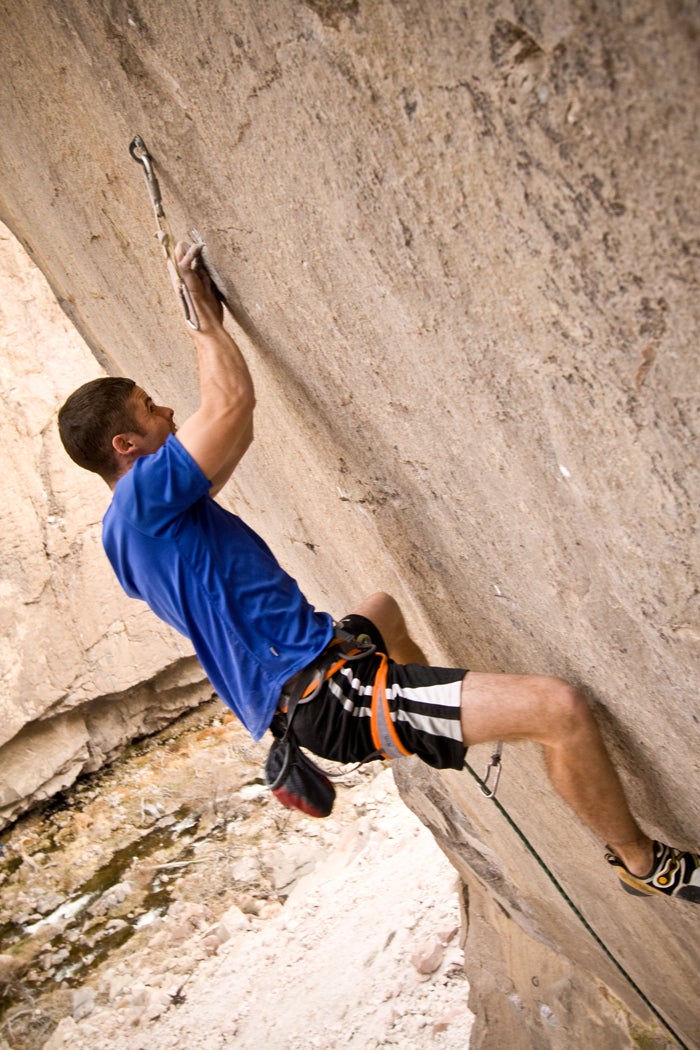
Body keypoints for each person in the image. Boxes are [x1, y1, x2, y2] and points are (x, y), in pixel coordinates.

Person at [58, 241, 698, 903]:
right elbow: (229, 409)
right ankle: (644, 865)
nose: (166, 411)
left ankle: (430, 712)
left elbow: (233, 438)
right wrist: (205, 324)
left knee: (383, 607)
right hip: (330, 695)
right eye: (150, 407)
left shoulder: (131, 535)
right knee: (559, 709)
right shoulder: (141, 501)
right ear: (125, 447)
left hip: (320, 672)